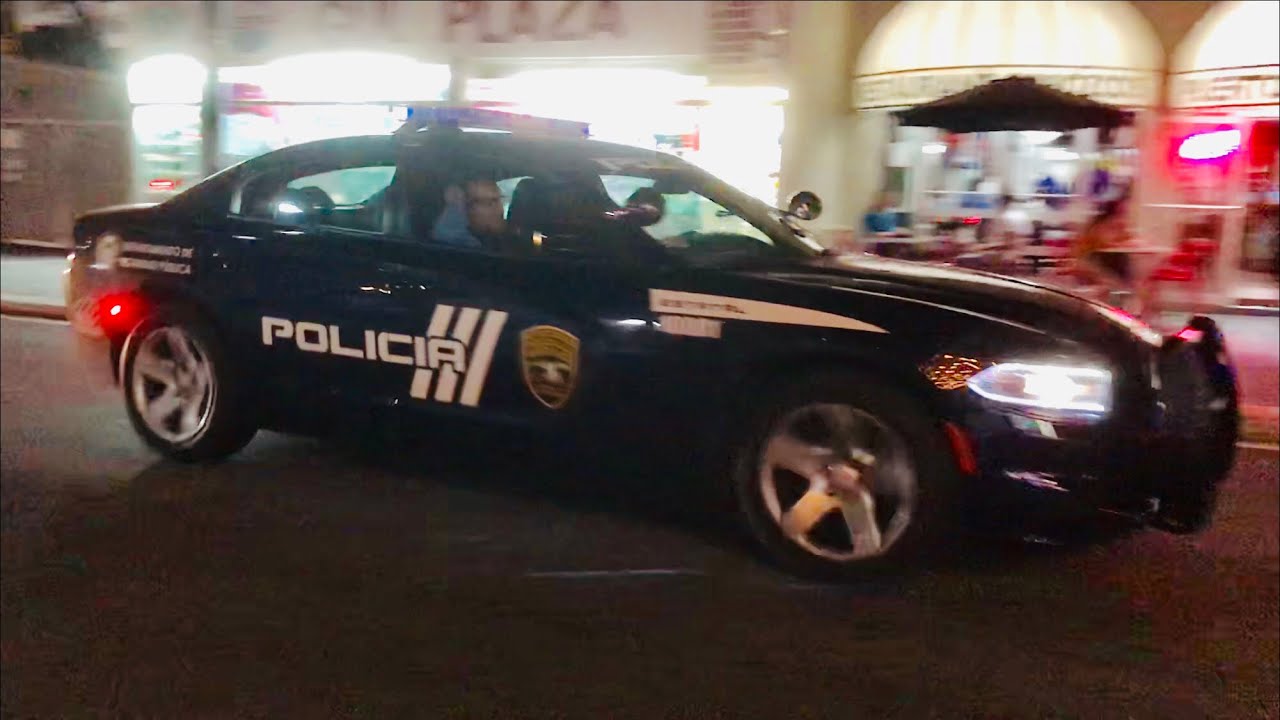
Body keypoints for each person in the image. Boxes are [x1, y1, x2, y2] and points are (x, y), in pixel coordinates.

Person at [431, 178, 507, 248]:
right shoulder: (456, 247)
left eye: (500, 201)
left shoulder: (489, 241)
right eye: (489, 203)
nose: (500, 209)